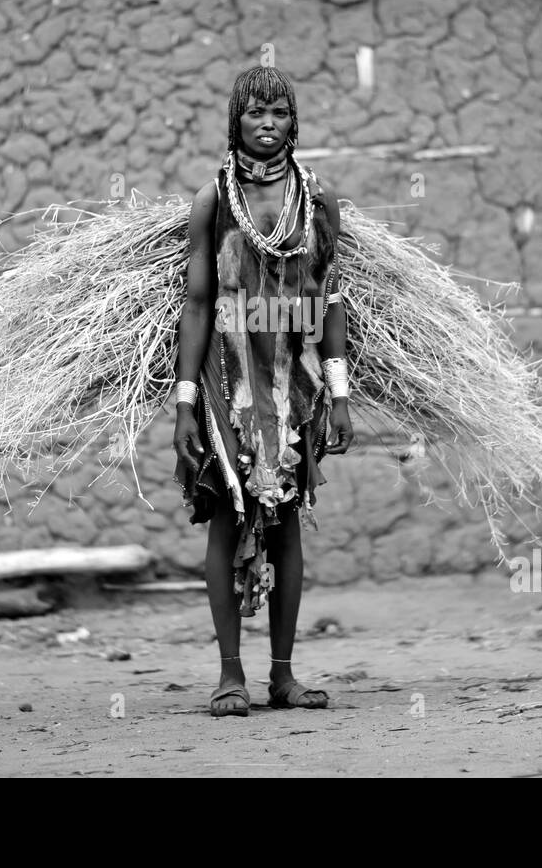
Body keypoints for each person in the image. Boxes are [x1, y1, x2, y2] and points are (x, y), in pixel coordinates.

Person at [172, 66, 354, 717]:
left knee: (288, 529)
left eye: (280, 111)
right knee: (228, 514)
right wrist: (186, 402)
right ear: (235, 121)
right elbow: (196, 305)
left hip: (293, 382)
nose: (268, 122)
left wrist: (338, 390)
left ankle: (282, 674)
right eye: (255, 113)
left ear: (294, 122)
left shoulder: (319, 202)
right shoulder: (212, 202)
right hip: (227, 376)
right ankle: (229, 675)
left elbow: (330, 299)